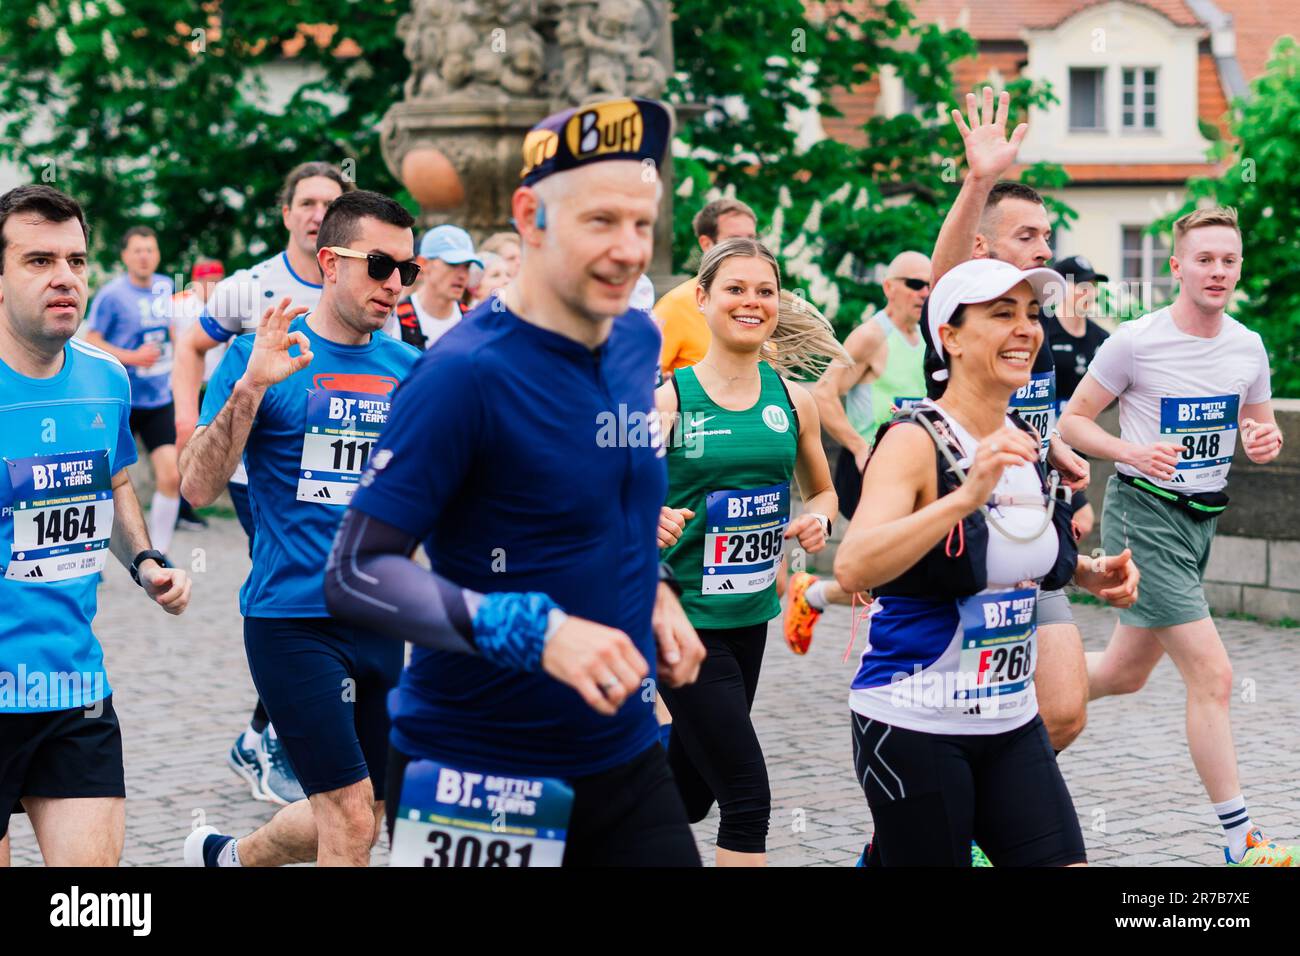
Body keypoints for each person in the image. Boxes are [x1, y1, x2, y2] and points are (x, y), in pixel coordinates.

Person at [325, 97, 708, 867]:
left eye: (643, 222)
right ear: (531, 215)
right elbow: (357, 573)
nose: (631, 249)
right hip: (477, 773)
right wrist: (534, 630)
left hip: (625, 754)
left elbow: (612, 503)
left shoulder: (638, 340)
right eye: (602, 222)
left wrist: (657, 588)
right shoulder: (463, 374)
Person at [833, 257, 1138, 867]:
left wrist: (1083, 571)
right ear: (949, 336)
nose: (1025, 328)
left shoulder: (1026, 438)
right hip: (914, 720)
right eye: (1002, 314)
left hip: (1010, 720)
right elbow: (854, 566)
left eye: (1032, 314)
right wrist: (965, 497)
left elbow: (1003, 549)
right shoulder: (914, 441)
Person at [179, 190, 421, 867]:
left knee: (365, 810)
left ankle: (231, 858)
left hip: (384, 620)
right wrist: (250, 389)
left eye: (408, 269)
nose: (394, 284)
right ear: (329, 261)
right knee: (347, 816)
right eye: (379, 264)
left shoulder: (410, 372)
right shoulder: (267, 358)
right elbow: (196, 486)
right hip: (294, 621)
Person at [1059, 206, 1296, 867]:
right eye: (1205, 259)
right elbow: (1072, 424)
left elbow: (1260, 436)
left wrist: (1266, 440)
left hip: (1202, 521)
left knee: (1122, 674)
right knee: (1213, 676)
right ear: (1177, 267)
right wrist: (1131, 453)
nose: (1217, 271)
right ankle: (1239, 841)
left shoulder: (1247, 346)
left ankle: (1003, 742)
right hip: (1143, 514)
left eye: (1228, 260)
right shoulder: (1135, 341)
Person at [0, 185, 191, 868]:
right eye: (38, 260)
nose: (65, 278)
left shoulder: (106, 381)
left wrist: (145, 562)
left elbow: (110, 483)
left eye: (77, 261)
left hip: (72, 692)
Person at [914, 87, 1095, 754]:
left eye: (1047, 236)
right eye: (1027, 236)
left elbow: (1034, 425)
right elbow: (945, 276)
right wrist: (978, 179)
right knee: (964, 721)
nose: (1043, 248)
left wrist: (1057, 463)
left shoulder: (1034, 330)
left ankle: (991, 827)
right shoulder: (959, 322)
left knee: (1065, 709)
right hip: (964, 544)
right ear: (984, 247)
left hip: (1033, 534)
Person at [654, 239, 844, 865]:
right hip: (681, 623)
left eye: (764, 291)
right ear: (704, 299)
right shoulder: (669, 400)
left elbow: (821, 491)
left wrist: (816, 521)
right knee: (746, 797)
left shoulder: (794, 399)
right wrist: (644, 516)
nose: (751, 302)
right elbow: (605, 496)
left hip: (749, 617)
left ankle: (598, 794)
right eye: (735, 289)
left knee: (687, 793)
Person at [173, 161, 353, 806]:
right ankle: (276, 736)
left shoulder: (364, 287)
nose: (314, 213)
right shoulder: (252, 288)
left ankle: (261, 732)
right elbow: (190, 346)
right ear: (287, 214)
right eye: (305, 202)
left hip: (335, 477)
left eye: (328, 204)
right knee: (297, 591)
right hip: (256, 471)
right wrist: (189, 429)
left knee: (326, 592)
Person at [784, 250, 931, 653]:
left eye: (930, 285)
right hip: (867, 467)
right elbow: (826, 394)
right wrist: (858, 445)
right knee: (888, 566)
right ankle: (892, 649)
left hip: (909, 467)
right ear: (889, 287)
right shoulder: (871, 335)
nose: (924, 293)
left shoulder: (927, 337)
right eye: (915, 284)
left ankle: (813, 594)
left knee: (902, 567)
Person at [82, 226, 181, 559]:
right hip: (118, 400)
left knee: (171, 474)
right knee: (102, 481)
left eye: (150, 250)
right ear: (125, 256)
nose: (144, 256)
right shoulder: (112, 295)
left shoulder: (166, 287)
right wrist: (134, 358)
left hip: (158, 397)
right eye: (137, 250)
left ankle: (159, 552)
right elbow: (91, 340)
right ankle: (93, 556)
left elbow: (171, 331)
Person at [1042, 254, 1110, 537]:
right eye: (1080, 285)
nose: (1088, 291)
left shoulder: (1102, 339)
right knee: (1080, 516)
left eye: (1092, 285)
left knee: (1062, 519)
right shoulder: (1041, 330)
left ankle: (1054, 574)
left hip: (1075, 449)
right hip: (1042, 444)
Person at [654, 198, 758, 377]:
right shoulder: (675, 305)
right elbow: (642, 379)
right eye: (734, 240)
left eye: (751, 238)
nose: (747, 247)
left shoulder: (763, 302)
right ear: (706, 244)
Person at [169, 257, 226, 530]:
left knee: (203, 449)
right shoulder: (179, 303)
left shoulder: (226, 303)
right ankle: (177, 507)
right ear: (196, 280)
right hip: (185, 385)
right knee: (182, 445)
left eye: (216, 280)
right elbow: (169, 339)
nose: (211, 286)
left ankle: (188, 506)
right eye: (206, 281)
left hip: (212, 386)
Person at [383, 225, 480, 350]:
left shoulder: (472, 320)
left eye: (467, 266)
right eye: (453, 264)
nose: (462, 275)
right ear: (424, 263)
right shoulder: (395, 319)